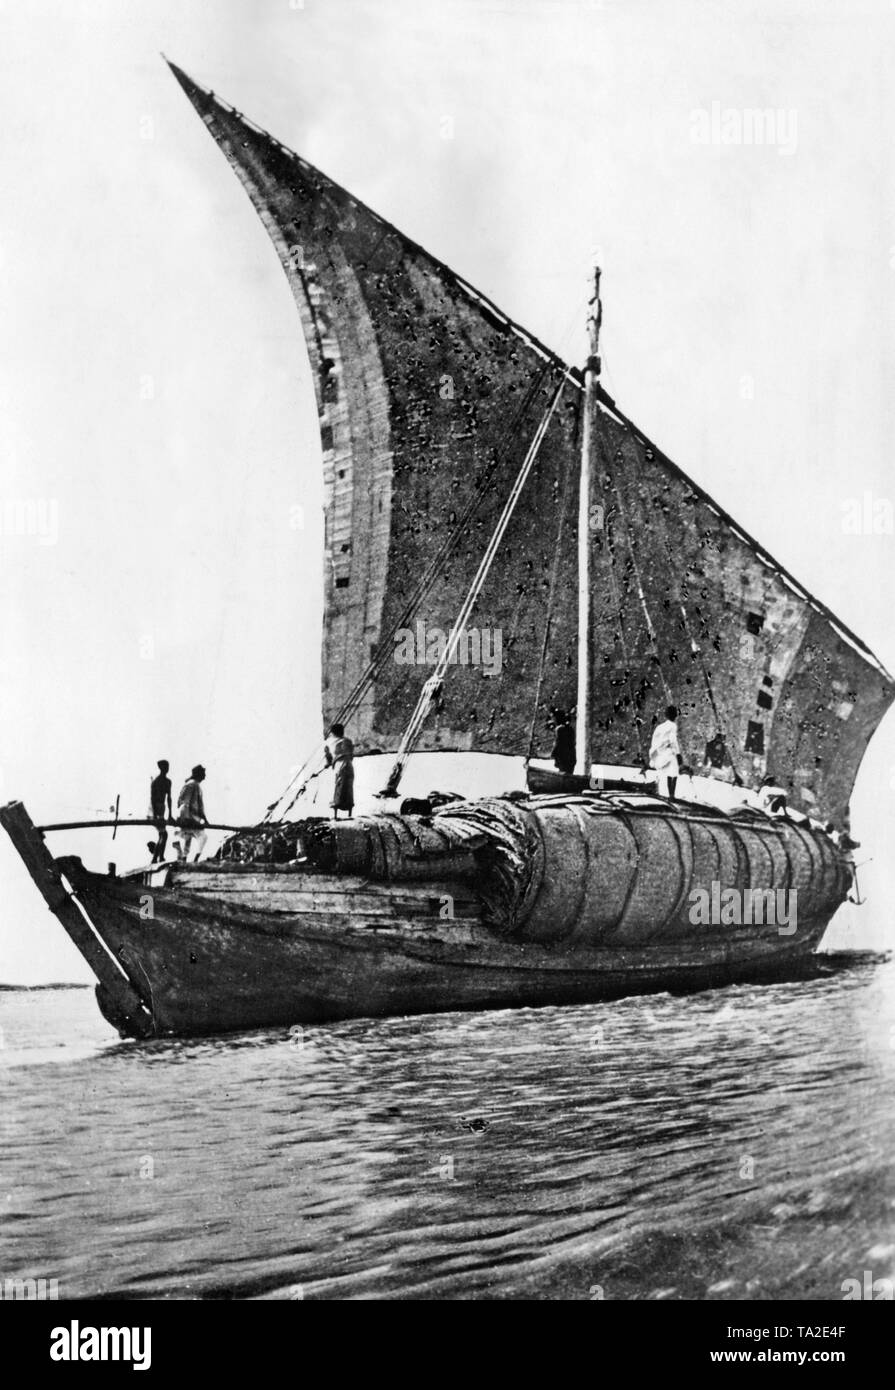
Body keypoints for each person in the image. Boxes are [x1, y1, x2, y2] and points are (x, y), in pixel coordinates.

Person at [176, 764, 209, 861]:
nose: (205, 775)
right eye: (203, 773)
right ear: (199, 774)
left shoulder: (196, 785)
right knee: (197, 838)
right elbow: (184, 803)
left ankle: (190, 859)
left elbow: (200, 806)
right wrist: (186, 818)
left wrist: (205, 819)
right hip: (188, 818)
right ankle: (190, 859)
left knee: (191, 839)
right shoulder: (191, 785)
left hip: (194, 818)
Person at [649, 705, 681, 798]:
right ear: (675, 715)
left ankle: (668, 793)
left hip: (660, 753)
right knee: (674, 773)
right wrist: (678, 754)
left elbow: (654, 740)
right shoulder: (673, 726)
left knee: (668, 773)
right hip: (669, 752)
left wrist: (654, 755)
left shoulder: (660, 727)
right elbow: (673, 741)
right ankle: (672, 794)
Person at [324, 724, 354, 819]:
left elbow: (328, 757)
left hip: (339, 766)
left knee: (339, 786)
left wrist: (328, 764)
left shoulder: (328, 742)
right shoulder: (348, 741)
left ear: (332, 732)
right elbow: (351, 755)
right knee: (349, 787)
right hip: (349, 766)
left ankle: (335, 814)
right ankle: (349, 813)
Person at [148, 759, 172, 863]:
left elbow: (169, 798)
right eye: (165, 767)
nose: (167, 769)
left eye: (168, 767)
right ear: (161, 768)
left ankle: (157, 858)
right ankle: (158, 857)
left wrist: (170, 814)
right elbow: (152, 799)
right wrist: (154, 815)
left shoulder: (168, 782)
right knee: (164, 834)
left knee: (162, 835)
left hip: (162, 807)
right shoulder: (155, 782)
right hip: (154, 808)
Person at [551, 712, 576, 776]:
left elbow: (557, 742)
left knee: (563, 772)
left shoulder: (559, 730)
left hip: (563, 757)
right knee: (568, 773)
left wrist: (553, 753)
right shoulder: (571, 729)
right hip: (571, 757)